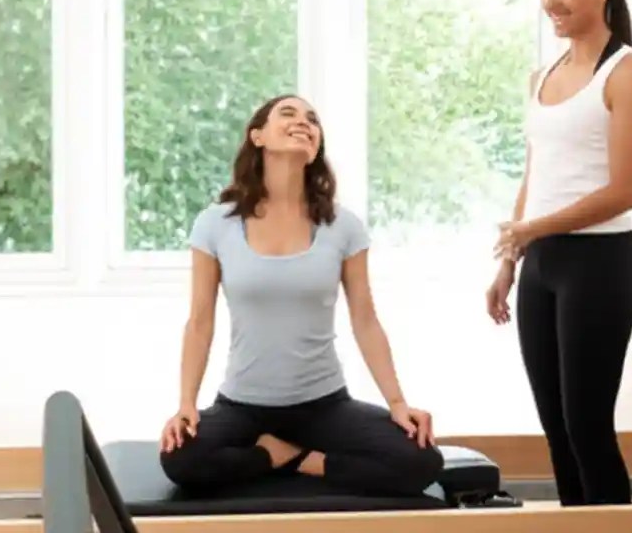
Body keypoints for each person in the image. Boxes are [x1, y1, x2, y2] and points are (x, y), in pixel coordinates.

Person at [158, 94, 444, 498]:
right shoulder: (215, 224)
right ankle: (270, 454)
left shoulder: (342, 226)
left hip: (323, 404)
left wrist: (398, 402)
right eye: (287, 114)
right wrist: (186, 403)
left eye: (312, 118)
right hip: (242, 405)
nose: (303, 122)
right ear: (257, 136)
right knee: (180, 459)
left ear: (316, 146)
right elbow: (200, 321)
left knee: (421, 461)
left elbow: (365, 319)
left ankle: (299, 458)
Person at [487, 0, 632, 506]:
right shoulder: (542, 76)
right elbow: (534, 178)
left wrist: (534, 231)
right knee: (556, 430)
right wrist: (509, 261)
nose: (550, 1)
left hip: (598, 262)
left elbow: (624, 190)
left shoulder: (627, 72)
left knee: (588, 425)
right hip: (542, 265)